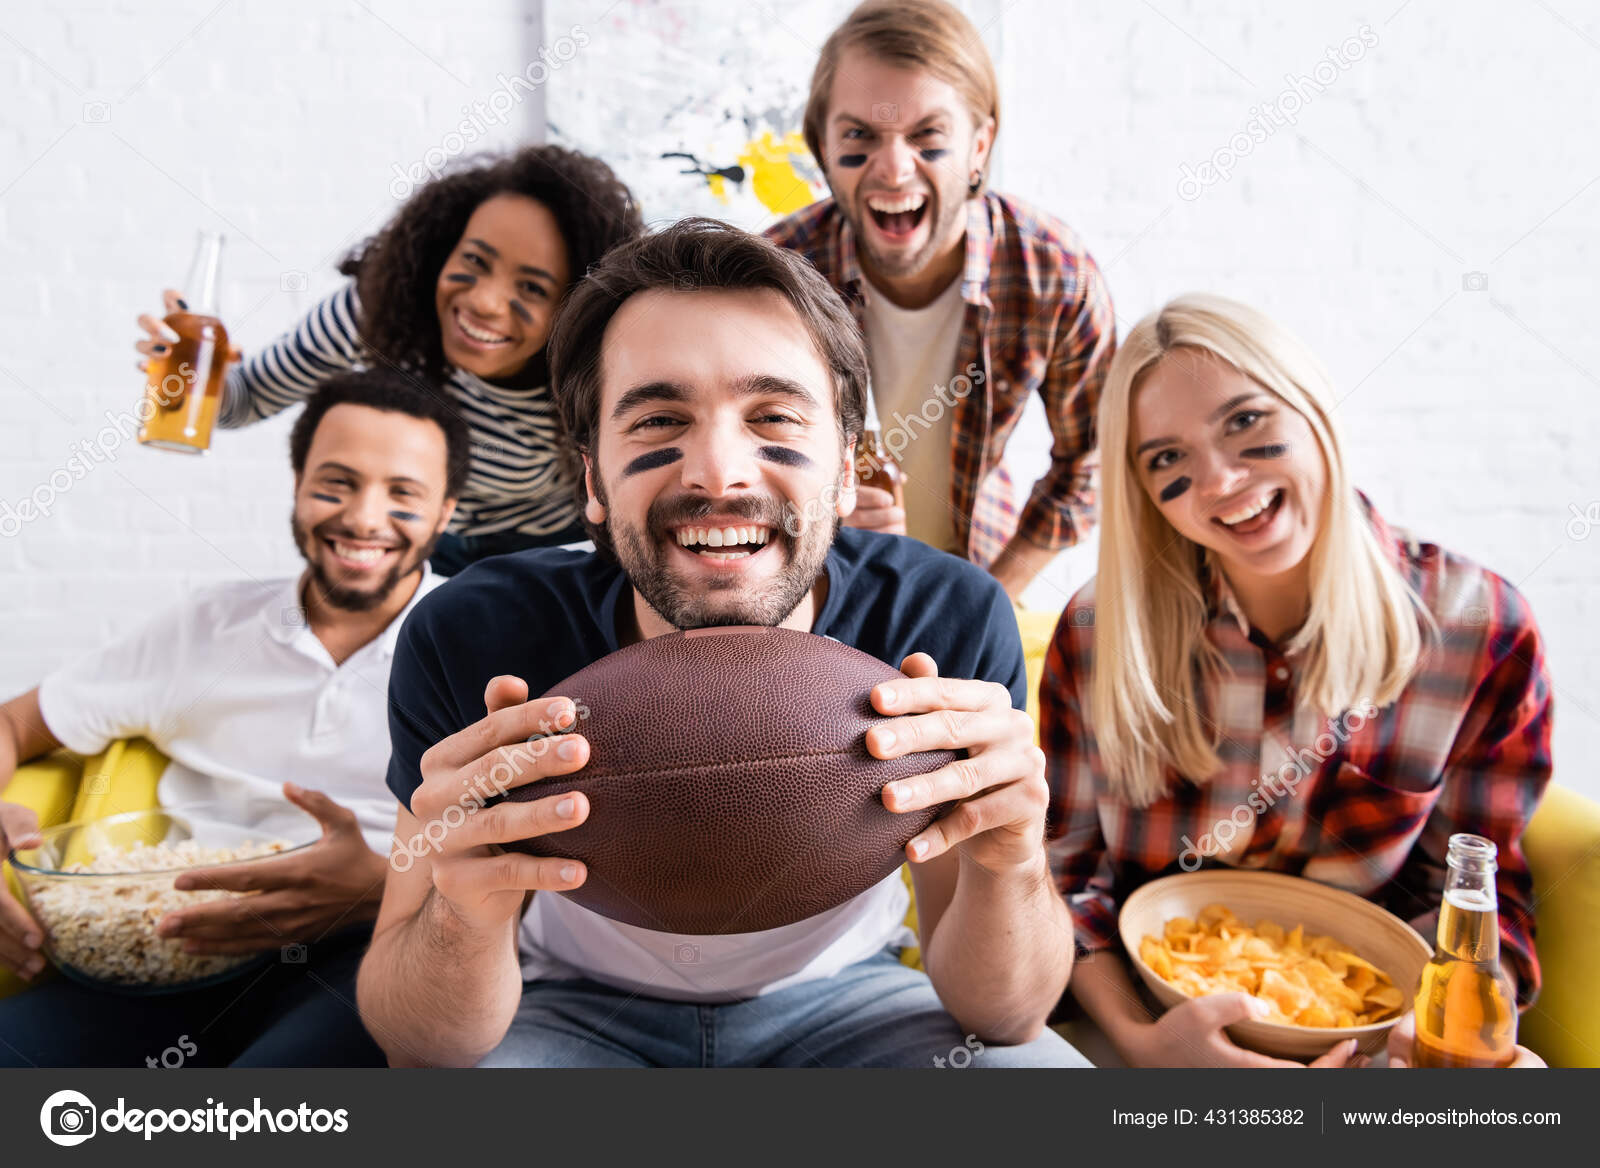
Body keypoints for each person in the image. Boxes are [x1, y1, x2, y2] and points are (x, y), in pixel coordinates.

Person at [356, 219, 1089, 1068]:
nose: (717, 473)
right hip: (565, 1014)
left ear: (848, 469)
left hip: (853, 1004)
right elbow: (418, 1047)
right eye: (658, 420)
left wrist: (1012, 859)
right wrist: (462, 911)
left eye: (772, 414)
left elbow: (1005, 1019)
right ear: (593, 479)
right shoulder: (476, 633)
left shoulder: (941, 618)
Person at [1041, 293, 1551, 1068]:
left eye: (1245, 424)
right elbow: (1065, 883)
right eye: (1167, 460)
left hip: (1375, 1043)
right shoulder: (1095, 634)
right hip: (1140, 1030)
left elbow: (1479, 896)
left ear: (1311, 408)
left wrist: (1448, 1035)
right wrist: (1145, 1045)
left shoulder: (1482, 629)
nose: (1217, 481)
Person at [0, 370, 467, 1067]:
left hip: (369, 953)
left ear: (446, 512)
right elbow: (14, 725)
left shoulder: (478, 642)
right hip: (167, 945)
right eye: (335, 483)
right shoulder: (209, 627)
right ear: (297, 486)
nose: (364, 518)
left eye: (403, 493)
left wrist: (379, 887)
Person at [133, 146, 642, 575]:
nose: (486, 302)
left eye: (531, 287)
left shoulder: (590, 370)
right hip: (419, 543)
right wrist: (193, 378)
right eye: (473, 262)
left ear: (572, 304)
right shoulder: (373, 316)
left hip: (548, 550)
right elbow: (243, 403)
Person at [765, 0, 1116, 601]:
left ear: (980, 145)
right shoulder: (776, 277)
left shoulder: (1050, 271)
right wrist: (828, 523)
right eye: (859, 136)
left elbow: (1093, 461)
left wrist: (987, 602)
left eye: (928, 136)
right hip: (819, 595)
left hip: (977, 569)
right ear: (822, 146)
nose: (895, 171)